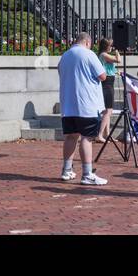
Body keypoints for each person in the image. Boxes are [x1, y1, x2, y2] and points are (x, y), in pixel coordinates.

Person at [57, 31, 109, 185]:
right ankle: (87, 174)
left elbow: (59, 70)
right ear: (87, 42)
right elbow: (102, 76)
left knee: (71, 136)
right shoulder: (89, 54)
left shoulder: (65, 55)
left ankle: (66, 170)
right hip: (87, 104)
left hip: (68, 104)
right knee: (87, 138)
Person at [96, 37, 120, 142]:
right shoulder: (103, 55)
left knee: (108, 110)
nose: (112, 47)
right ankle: (99, 135)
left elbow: (110, 68)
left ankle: (107, 134)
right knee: (108, 111)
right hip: (106, 84)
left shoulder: (105, 55)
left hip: (110, 82)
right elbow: (118, 60)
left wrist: (115, 71)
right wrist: (117, 51)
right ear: (106, 46)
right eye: (110, 45)